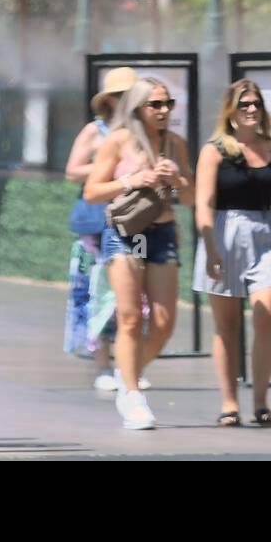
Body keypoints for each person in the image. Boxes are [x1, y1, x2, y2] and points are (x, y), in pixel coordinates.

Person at [85, 78, 194, 430]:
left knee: (163, 324)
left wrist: (176, 179)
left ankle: (126, 372)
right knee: (130, 317)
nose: (164, 111)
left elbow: (191, 198)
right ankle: (132, 394)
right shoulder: (118, 141)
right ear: (137, 107)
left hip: (162, 233)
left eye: (168, 104)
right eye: (156, 105)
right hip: (125, 233)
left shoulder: (175, 144)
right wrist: (134, 180)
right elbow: (92, 192)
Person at [194, 80, 271, 427]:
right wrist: (210, 248)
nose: (251, 110)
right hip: (224, 234)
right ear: (231, 111)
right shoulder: (214, 151)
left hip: (266, 235)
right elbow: (204, 203)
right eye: (244, 104)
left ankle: (261, 402)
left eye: (256, 104)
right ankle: (229, 403)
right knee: (227, 324)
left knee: (265, 314)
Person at [64, 66, 137, 390]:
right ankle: (102, 365)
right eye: (119, 96)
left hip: (133, 220)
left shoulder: (142, 131)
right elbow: (72, 170)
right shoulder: (96, 131)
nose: (124, 102)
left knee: (133, 298)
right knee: (102, 294)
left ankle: (130, 366)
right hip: (98, 223)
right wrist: (110, 163)